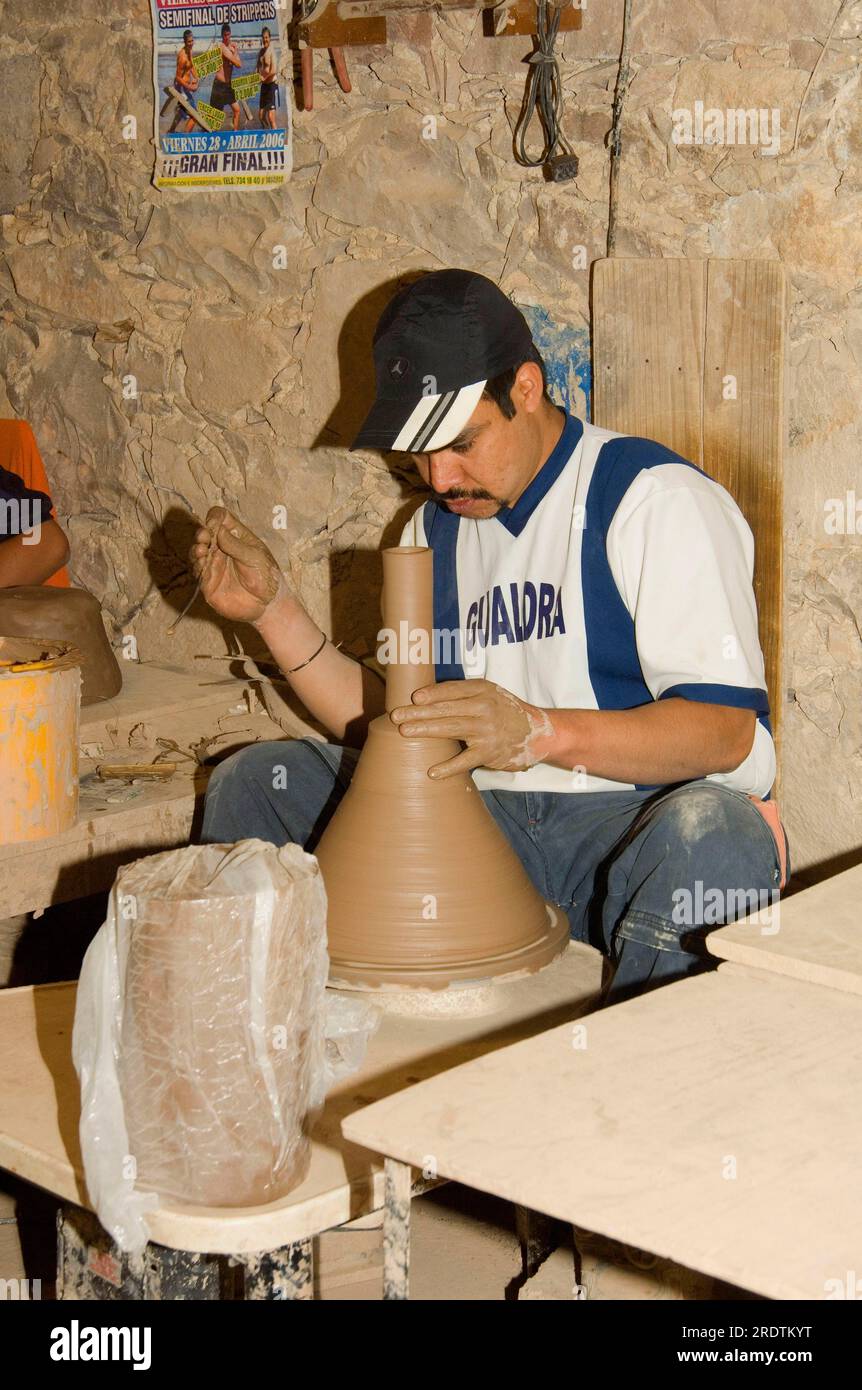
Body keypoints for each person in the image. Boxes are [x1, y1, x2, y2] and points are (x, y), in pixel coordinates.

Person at [192, 269, 787, 1004]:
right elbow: (400, 724)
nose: (440, 476)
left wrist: (539, 732)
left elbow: (724, 732)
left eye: (462, 441)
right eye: (417, 453)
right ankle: (253, 1054)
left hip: (631, 821)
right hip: (487, 822)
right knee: (255, 782)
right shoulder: (431, 530)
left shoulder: (650, 499)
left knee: (713, 836)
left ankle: (636, 1096)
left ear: (527, 389)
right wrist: (272, 611)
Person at [209, 23, 242, 131]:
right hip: (219, 86)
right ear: (222, 35)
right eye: (224, 35)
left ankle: (235, 134)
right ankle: (211, 136)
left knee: (237, 110)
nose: (226, 37)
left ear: (230, 34)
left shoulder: (230, 49)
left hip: (227, 86)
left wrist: (235, 50)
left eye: (228, 35)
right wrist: (235, 50)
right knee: (215, 119)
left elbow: (239, 64)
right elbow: (238, 64)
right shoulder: (222, 47)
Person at [173, 30, 199, 135]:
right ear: (184, 42)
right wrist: (190, 86)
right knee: (195, 116)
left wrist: (196, 77)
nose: (191, 43)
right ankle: (185, 137)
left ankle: (171, 131)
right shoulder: (182, 56)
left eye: (192, 41)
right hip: (181, 89)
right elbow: (178, 77)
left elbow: (191, 66)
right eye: (189, 42)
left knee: (181, 112)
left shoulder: (189, 51)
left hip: (186, 88)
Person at [256, 27, 278, 131]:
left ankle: (278, 139)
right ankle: (267, 132)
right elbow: (257, 68)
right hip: (264, 87)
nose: (265, 39)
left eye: (267, 37)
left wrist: (264, 78)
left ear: (270, 38)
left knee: (270, 117)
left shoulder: (272, 51)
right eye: (263, 37)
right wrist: (255, 77)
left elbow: (274, 70)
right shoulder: (261, 52)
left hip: (272, 86)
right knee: (261, 116)